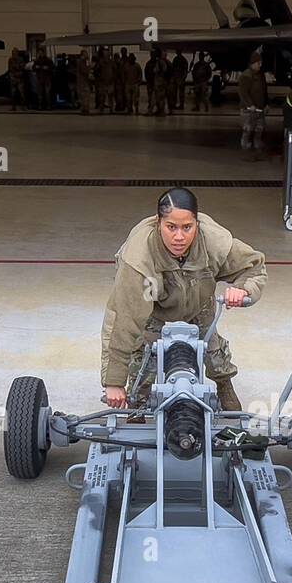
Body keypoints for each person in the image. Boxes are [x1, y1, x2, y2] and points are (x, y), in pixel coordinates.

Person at [101, 187, 267, 413]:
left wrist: (243, 289)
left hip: (199, 303)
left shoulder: (214, 241)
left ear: (196, 224)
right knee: (142, 361)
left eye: (187, 227)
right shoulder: (138, 258)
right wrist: (114, 382)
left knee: (214, 353)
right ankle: (139, 399)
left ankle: (224, 383)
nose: (179, 237)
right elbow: (123, 321)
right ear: (159, 223)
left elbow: (254, 267)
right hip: (153, 309)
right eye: (171, 227)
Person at [238, 51, 267, 156]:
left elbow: (264, 90)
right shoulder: (246, 76)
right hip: (249, 110)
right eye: (258, 63)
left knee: (259, 130)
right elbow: (243, 93)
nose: (260, 65)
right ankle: (246, 152)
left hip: (260, 109)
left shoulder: (261, 75)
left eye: (261, 63)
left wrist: (266, 104)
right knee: (248, 131)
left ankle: (257, 150)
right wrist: (250, 105)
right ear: (252, 63)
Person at [95, 48, 115, 112]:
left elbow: (115, 71)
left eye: (107, 53)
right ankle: (101, 108)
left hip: (110, 82)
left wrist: (113, 78)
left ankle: (111, 109)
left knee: (110, 97)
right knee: (102, 97)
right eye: (105, 54)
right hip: (102, 83)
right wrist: (100, 78)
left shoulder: (111, 62)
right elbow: (96, 71)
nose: (106, 55)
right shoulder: (100, 62)